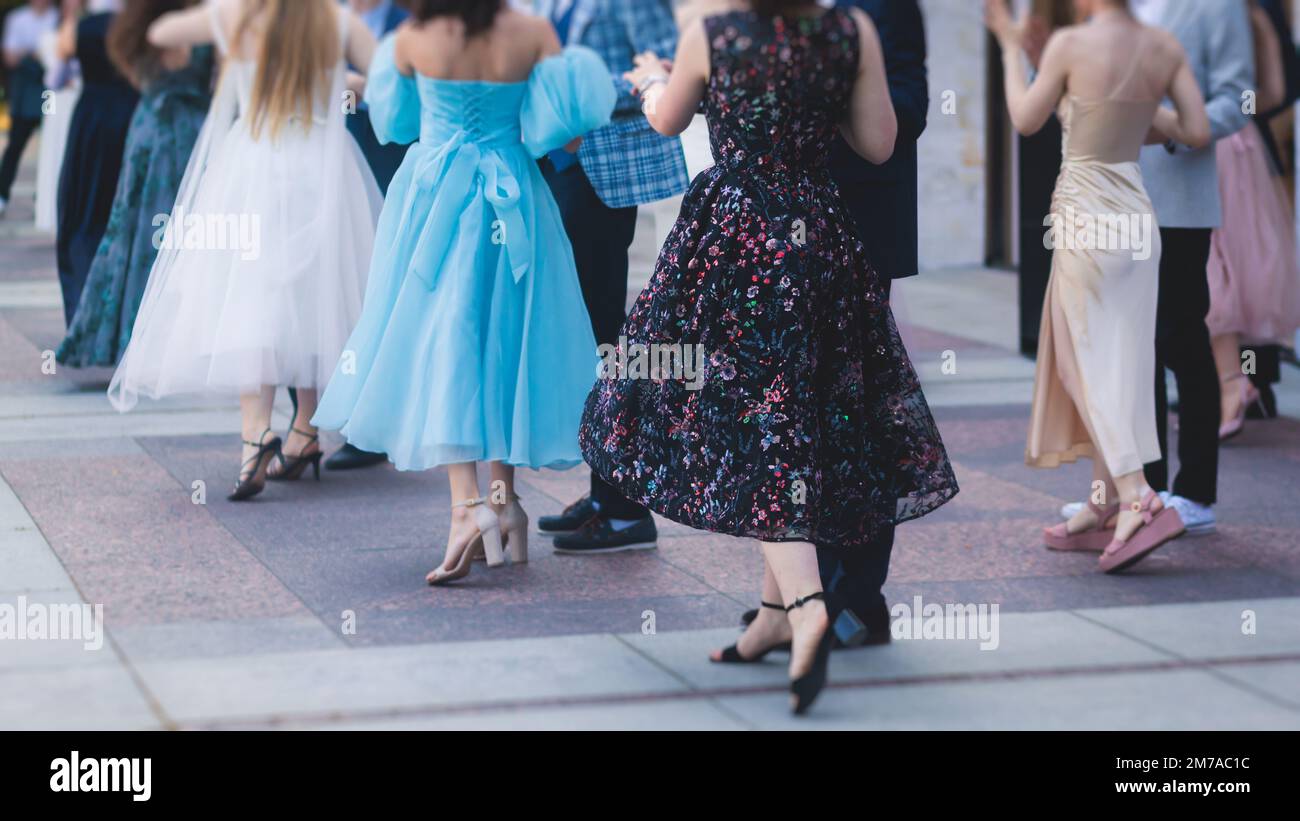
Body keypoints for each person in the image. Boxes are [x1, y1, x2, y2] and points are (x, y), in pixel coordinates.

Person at [582, 0, 957, 715]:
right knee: (795, 415)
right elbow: (879, 144)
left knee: (760, 424)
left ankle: (807, 606)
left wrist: (653, 79)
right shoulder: (849, 31)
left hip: (736, 243)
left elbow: (665, 120)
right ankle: (775, 615)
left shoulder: (715, 35)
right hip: (819, 233)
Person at [312, 0, 615, 586]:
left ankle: (465, 509)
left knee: (448, 342)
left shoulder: (412, 37)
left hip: (435, 201)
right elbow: (562, 136)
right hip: (513, 197)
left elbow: (396, 126)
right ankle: (505, 504)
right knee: (506, 340)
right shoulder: (533, 32)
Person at [108, 0, 383, 503]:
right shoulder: (336, 21)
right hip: (321, 166)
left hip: (255, 161)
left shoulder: (237, 15)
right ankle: (305, 429)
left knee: (250, 299)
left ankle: (256, 435)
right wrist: (343, 83)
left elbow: (162, 31)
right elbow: (391, 77)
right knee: (315, 294)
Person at [991, 0, 1211, 572]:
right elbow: (1195, 129)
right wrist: (1134, 114)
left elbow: (1024, 118)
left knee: (1081, 366)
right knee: (1123, 365)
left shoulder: (1070, 46)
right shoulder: (1163, 47)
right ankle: (1102, 501)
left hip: (1086, 217)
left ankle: (1136, 494)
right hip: (1137, 216)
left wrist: (1010, 48)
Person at [532, 0, 690, 555]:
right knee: (584, 332)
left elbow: (665, 67)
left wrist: (578, 98)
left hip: (599, 174)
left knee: (603, 334)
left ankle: (625, 508)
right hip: (548, 168)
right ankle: (605, 494)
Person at [1132, 0, 1254, 538]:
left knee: (1179, 338)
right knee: (1127, 347)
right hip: (1104, 195)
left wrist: (1171, 127)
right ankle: (1140, 489)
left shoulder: (1216, 6)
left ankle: (1196, 491)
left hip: (1177, 196)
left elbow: (1241, 98)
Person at [56, 0, 213, 368]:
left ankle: (142, 335)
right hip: (186, 130)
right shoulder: (200, 23)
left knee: (140, 229)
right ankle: (171, 335)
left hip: (155, 127)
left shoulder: (135, 26)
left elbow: (129, 71)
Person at [322, 0, 413, 473]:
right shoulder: (322, 16)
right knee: (333, 289)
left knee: (381, 292)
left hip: (392, 166)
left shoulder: (409, 20)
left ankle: (373, 425)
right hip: (326, 168)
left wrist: (361, 87)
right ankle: (323, 420)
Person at [1206, 0, 1300, 439]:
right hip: (1240, 146)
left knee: (1212, 263)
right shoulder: (1252, 14)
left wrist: (1215, 109)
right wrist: (1238, 107)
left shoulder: (1218, 15)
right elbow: (1274, 93)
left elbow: (1275, 91)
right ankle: (1237, 383)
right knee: (1231, 263)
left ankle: (1234, 382)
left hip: (1213, 147)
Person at [54, 0, 140, 325]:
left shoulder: (79, 27)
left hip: (91, 120)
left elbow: (56, 73)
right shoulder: (139, 24)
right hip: (131, 115)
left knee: (82, 210)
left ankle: (82, 312)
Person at [0, 0, 59, 218]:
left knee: (51, 144)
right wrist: (34, 54)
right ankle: (2, 194)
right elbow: (10, 57)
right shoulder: (18, 19)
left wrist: (29, 53)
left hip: (49, 91)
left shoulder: (58, 17)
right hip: (25, 91)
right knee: (15, 144)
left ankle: (43, 196)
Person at [34, 4, 80, 233]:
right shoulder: (49, 37)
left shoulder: (88, 32)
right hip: (56, 100)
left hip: (77, 97)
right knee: (54, 145)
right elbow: (52, 80)